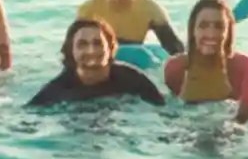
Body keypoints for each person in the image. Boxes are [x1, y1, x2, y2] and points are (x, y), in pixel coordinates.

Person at [164, 0, 248, 124]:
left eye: (219, 27)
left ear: (229, 32)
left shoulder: (244, 67)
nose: (211, 34)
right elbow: (170, 113)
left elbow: (245, 116)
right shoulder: (175, 67)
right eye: (203, 26)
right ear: (193, 30)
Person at [28, 19, 165, 106]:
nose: (91, 51)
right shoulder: (58, 89)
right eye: (82, 44)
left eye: (98, 43)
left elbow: (162, 109)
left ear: (110, 48)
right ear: (71, 51)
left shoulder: (133, 79)